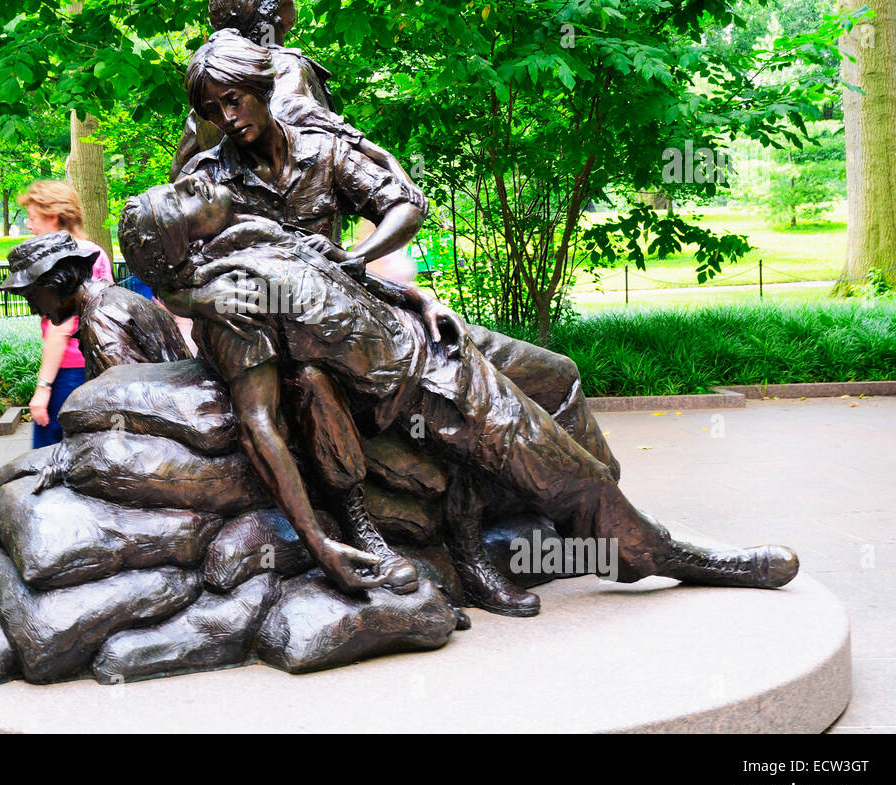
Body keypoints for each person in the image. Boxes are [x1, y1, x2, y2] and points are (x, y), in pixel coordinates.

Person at [118, 176, 801, 616]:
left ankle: (580, 526)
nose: (193, 181)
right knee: (575, 474)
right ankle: (664, 554)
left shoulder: (252, 232)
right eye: (176, 199)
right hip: (431, 388)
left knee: (558, 373)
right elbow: (263, 425)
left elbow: (351, 274)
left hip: (443, 337)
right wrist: (321, 543)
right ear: (180, 243)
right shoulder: (228, 306)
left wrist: (420, 296)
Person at [176, 0, 619, 478]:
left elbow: (404, 203)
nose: (227, 119)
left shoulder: (319, 149)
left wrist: (377, 270)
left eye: (233, 101)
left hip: (363, 310)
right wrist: (210, 301)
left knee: (557, 374)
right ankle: (583, 515)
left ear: (263, 88)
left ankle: (606, 517)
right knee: (473, 412)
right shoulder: (202, 183)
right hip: (327, 342)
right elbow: (175, 270)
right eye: (212, 111)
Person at [0, 230, 191, 379]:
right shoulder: (112, 298)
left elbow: (127, 403)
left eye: (32, 297)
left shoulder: (101, 321)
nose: (34, 310)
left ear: (56, 282)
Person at [17, 180, 112, 447]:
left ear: (54, 217)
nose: (29, 224)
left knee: (45, 460)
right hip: (96, 368)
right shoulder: (96, 253)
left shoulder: (58, 260)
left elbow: (60, 327)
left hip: (67, 372)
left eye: (33, 217)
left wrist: (43, 388)